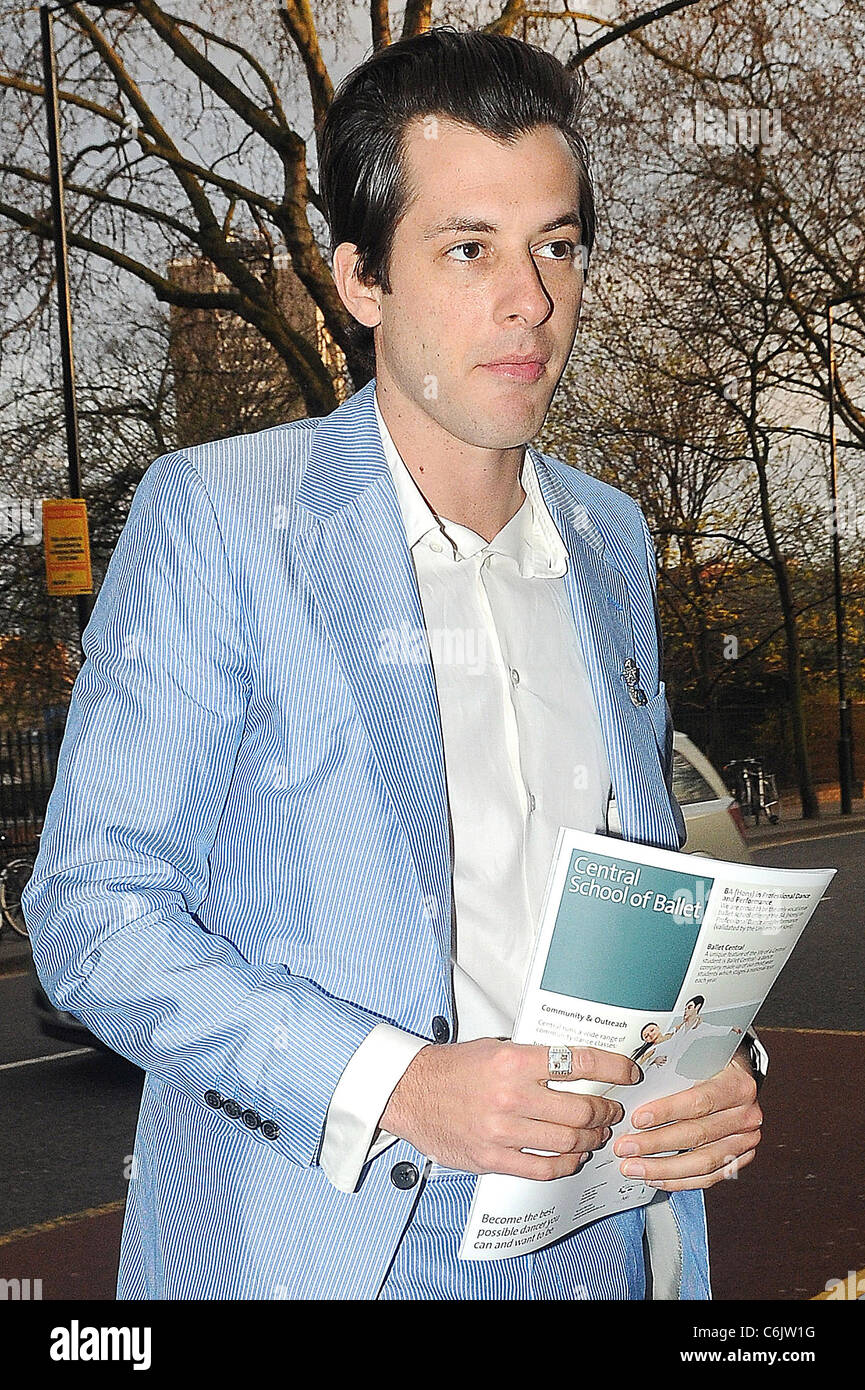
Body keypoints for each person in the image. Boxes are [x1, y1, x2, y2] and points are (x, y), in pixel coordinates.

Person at [22, 27, 765, 1301]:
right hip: (332, 1250)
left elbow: (634, 891)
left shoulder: (609, 537)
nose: (528, 298)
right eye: (467, 247)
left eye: (557, 245)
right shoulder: (220, 514)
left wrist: (720, 1064)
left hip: (609, 1240)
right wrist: (399, 1086)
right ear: (362, 279)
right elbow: (92, 914)